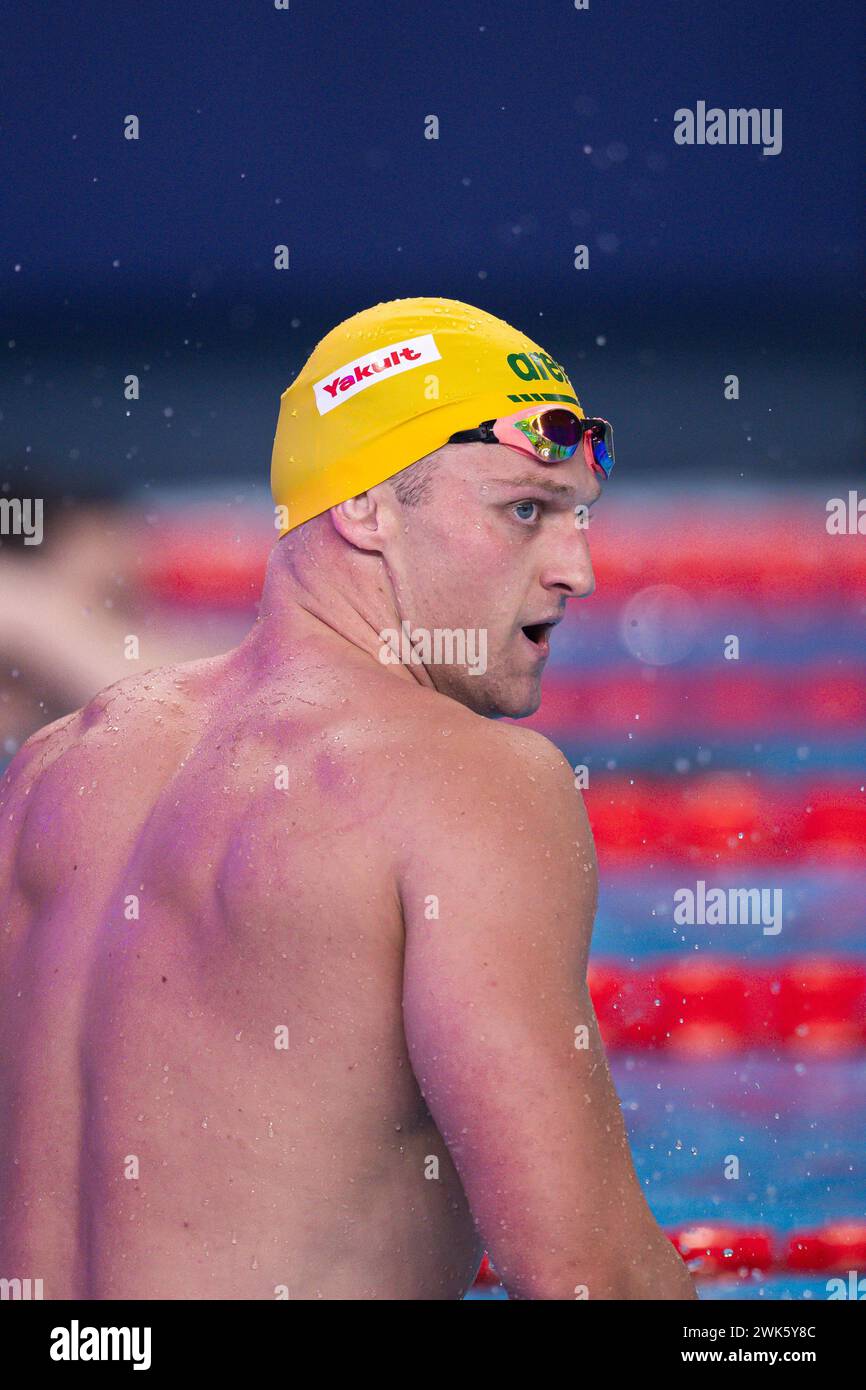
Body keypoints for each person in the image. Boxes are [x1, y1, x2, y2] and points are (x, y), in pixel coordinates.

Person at [0, 297, 696, 1300]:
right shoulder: (472, 781)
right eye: (524, 511)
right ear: (364, 509)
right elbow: (590, 1278)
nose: (577, 568)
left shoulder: (54, 769)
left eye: (577, 513)